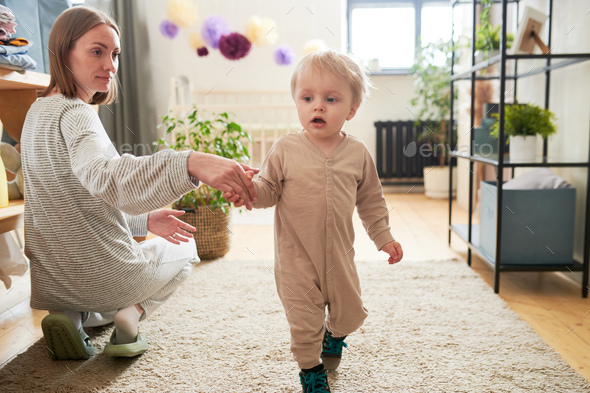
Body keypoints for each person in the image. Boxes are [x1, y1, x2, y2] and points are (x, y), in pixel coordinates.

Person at [20, 6, 257, 360]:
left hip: (50, 282)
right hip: (103, 276)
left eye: (114, 54)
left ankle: (69, 314)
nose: (111, 65)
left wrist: (143, 221)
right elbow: (106, 179)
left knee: (92, 286)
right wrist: (189, 162)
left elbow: (69, 203)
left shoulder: (34, 114)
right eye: (97, 51)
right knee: (186, 250)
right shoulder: (77, 114)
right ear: (62, 52)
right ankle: (128, 322)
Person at [223, 50, 403, 392]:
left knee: (348, 311)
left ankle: (334, 335)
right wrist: (249, 192)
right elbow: (268, 189)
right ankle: (311, 371)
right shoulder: (285, 149)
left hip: (339, 254)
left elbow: (371, 201)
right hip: (296, 257)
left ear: (351, 109)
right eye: (308, 98)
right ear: (297, 102)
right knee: (304, 321)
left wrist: (384, 237)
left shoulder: (358, 154)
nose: (317, 106)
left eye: (330, 99)